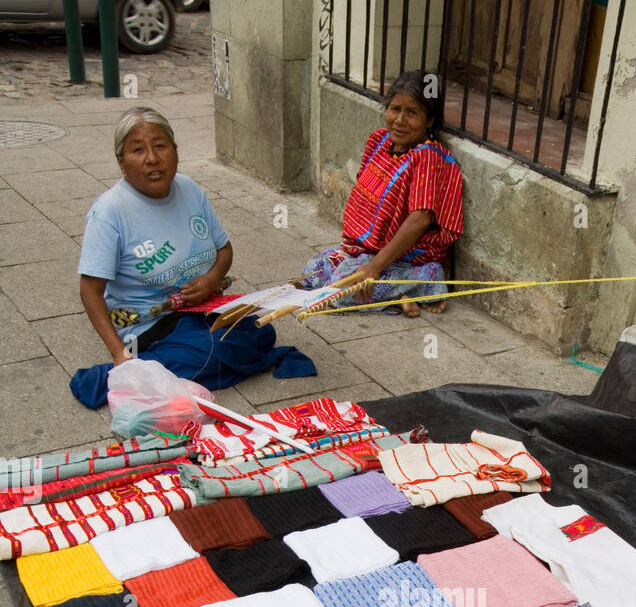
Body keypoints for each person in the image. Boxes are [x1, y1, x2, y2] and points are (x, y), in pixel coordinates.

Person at [72, 107, 315, 410]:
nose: (152, 158)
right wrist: (120, 354)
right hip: (150, 326)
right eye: (138, 150)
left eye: (161, 146)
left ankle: (162, 372)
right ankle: (123, 372)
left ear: (175, 151)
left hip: (203, 311)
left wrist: (212, 279)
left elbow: (224, 250)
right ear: (121, 162)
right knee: (213, 351)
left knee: (262, 331)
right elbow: (90, 292)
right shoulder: (109, 213)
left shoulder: (189, 189)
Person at [299, 71, 463, 315]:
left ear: (429, 120)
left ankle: (427, 279)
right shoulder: (379, 141)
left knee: (336, 296)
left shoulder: (426, 156)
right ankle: (401, 295)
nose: (399, 120)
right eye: (395, 109)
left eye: (412, 113)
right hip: (370, 249)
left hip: (406, 255)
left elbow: (421, 218)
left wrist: (374, 267)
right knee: (312, 273)